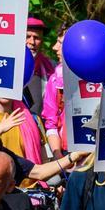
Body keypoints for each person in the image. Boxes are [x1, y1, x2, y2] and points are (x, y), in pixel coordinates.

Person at [41, 24, 67, 159]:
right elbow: (51, 122)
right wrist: (58, 156)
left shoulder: (98, 77)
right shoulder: (55, 80)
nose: (54, 47)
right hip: (65, 152)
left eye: (60, 43)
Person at [25, 16, 57, 115]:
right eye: (27, 36)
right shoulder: (7, 66)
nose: (32, 42)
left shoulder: (51, 68)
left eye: (37, 38)